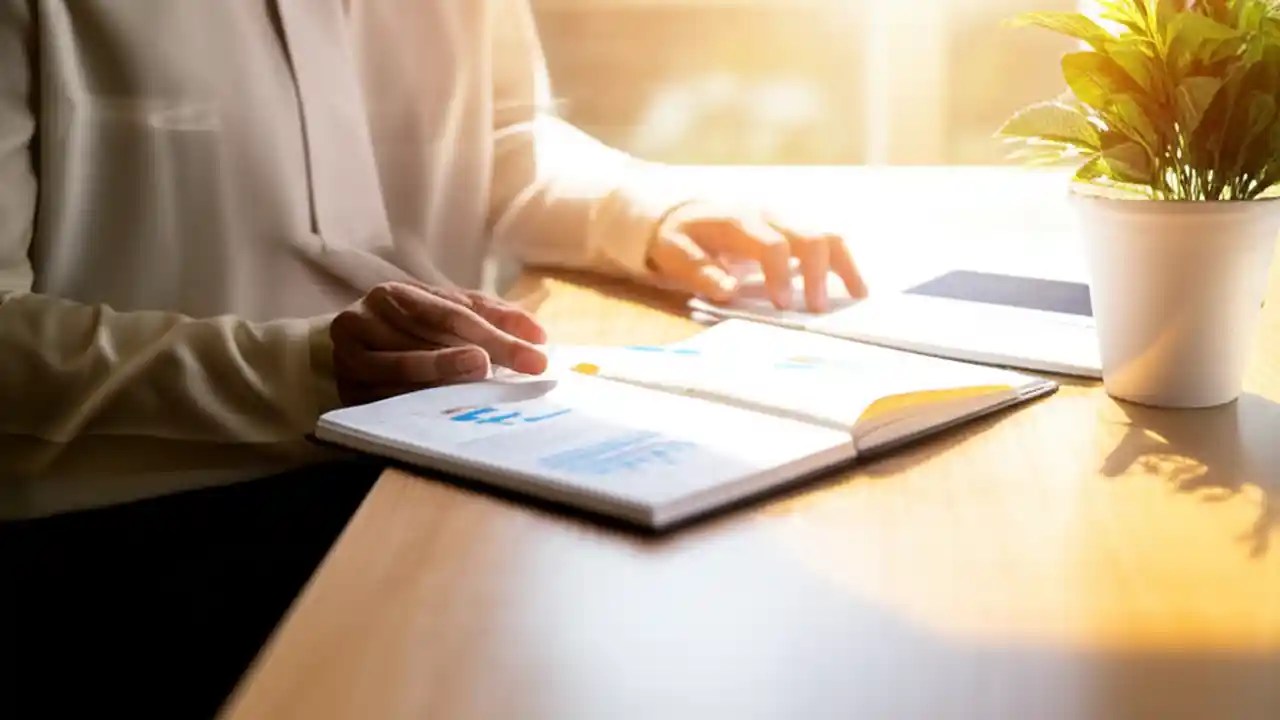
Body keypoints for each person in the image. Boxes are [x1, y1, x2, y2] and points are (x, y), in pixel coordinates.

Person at [0, 1, 864, 713]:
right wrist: (307, 370)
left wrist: (650, 210)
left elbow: (505, 139)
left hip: (449, 453)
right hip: (130, 526)